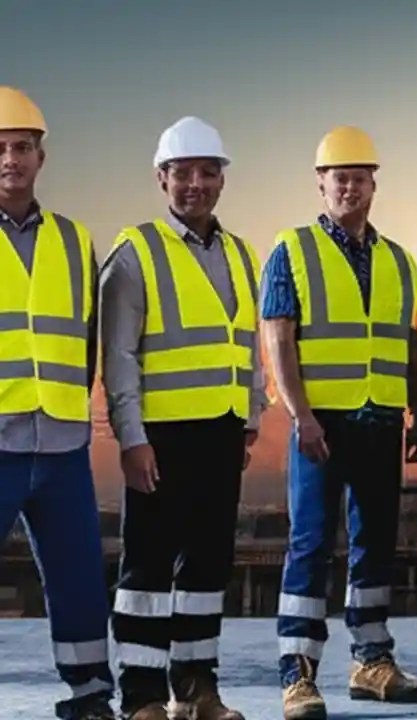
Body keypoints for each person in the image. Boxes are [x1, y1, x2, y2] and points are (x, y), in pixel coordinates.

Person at [262, 125, 417, 720]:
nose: (351, 188)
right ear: (321, 185)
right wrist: (300, 414)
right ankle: (298, 673)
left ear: (374, 184)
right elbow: (278, 338)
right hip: (321, 426)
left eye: (360, 178)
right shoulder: (293, 249)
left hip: (381, 420)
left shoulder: (398, 260)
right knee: (310, 544)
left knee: (376, 544)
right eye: (340, 179)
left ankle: (371, 660)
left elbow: (411, 342)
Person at [100, 116, 266, 720]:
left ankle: (195, 689)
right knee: (146, 567)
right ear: (161, 178)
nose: (195, 184)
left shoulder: (242, 254)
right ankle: (141, 696)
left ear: (222, 179)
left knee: (207, 564)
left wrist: (249, 414)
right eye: (183, 173)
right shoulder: (135, 252)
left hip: (220, 432)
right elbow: (117, 354)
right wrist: (131, 437)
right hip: (160, 437)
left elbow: (245, 342)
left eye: (207, 172)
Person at [0, 85, 115, 720]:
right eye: (0, 149)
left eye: (21, 148)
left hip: (63, 440)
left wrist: (75, 403)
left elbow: (89, 333)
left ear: (42, 158)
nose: (10, 159)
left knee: (77, 574)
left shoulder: (75, 241)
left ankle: (91, 692)